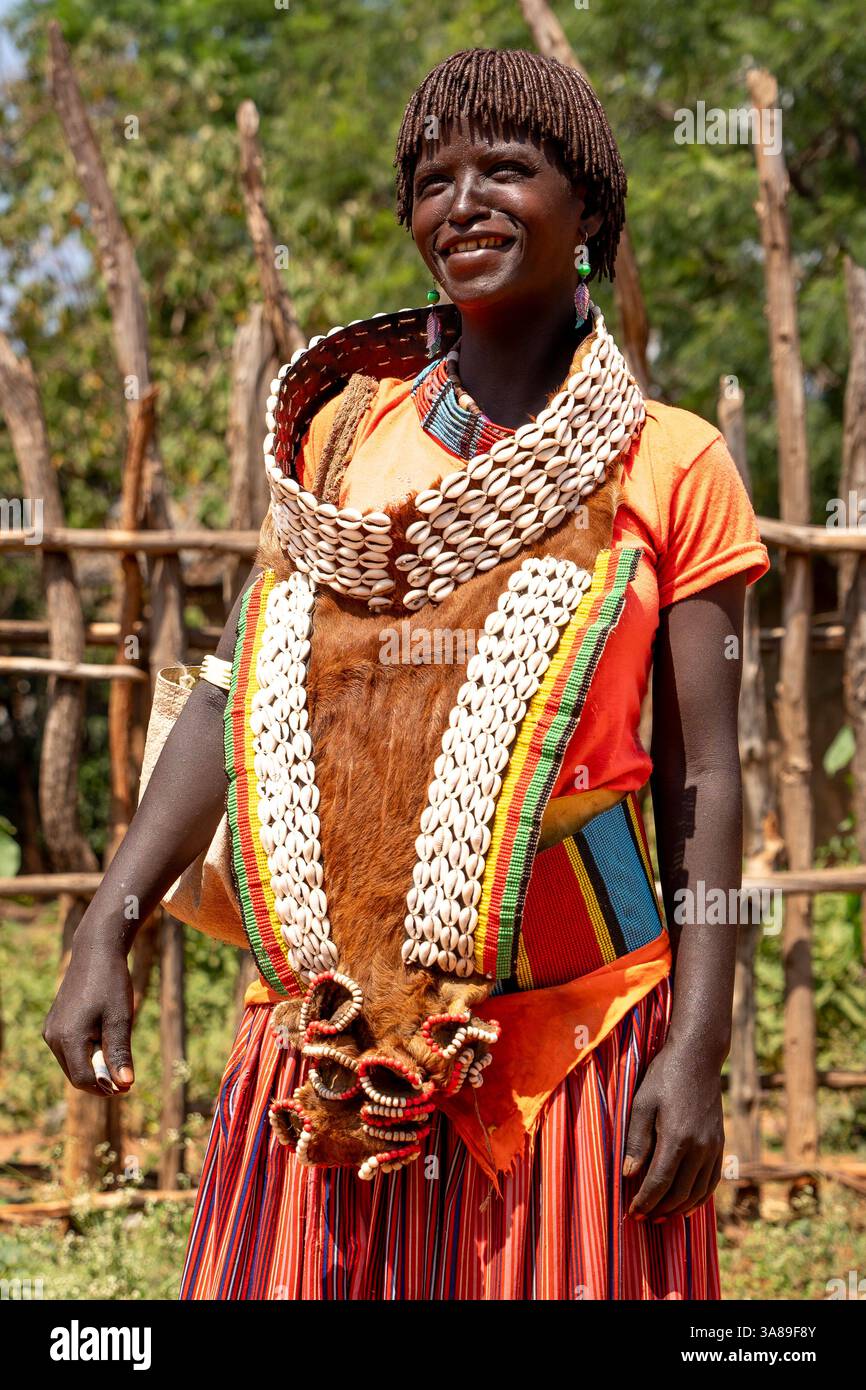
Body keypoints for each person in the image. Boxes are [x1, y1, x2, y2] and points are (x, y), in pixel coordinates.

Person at [44, 47, 770, 1300]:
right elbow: (230, 693)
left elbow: (702, 779)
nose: (464, 202)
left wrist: (697, 1042)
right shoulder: (339, 441)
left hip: (573, 1034)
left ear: (587, 207)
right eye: (434, 179)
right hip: (328, 1030)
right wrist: (106, 923)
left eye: (508, 169)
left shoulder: (669, 462)